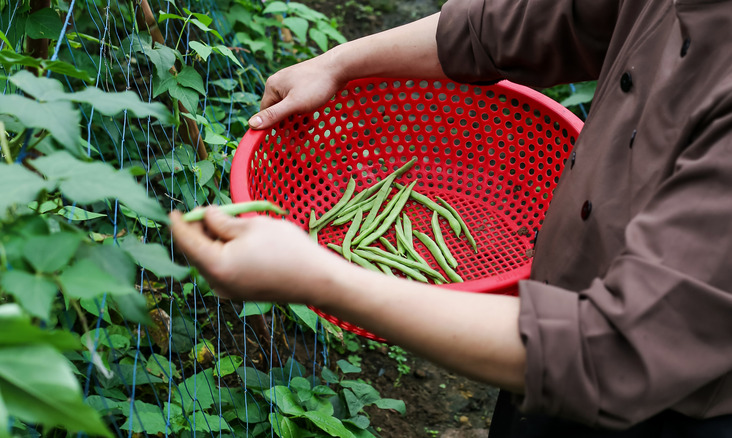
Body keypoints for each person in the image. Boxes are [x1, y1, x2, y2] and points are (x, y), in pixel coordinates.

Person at [170, 0, 732, 435]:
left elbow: (614, 352)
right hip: (549, 338)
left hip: (669, 410)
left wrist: (322, 276)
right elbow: (547, 16)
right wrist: (340, 63)